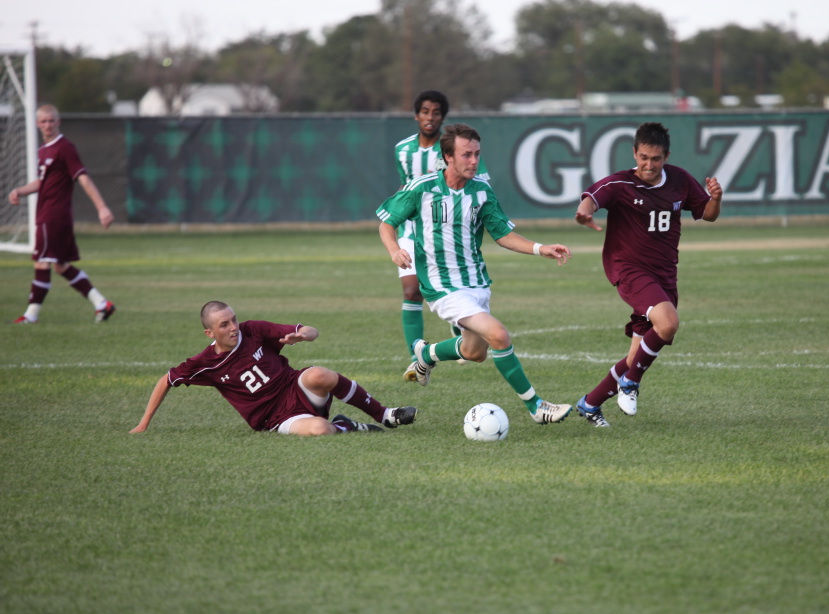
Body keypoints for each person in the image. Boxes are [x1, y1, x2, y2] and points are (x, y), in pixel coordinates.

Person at [377, 123, 574, 425]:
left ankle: (425, 354)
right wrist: (394, 249)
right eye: (466, 155)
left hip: (476, 284)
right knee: (499, 335)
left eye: (477, 154)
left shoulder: (481, 191)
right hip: (441, 286)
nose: (473, 161)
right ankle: (537, 407)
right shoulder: (422, 188)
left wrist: (540, 248)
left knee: (474, 352)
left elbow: (503, 234)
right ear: (448, 157)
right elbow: (387, 223)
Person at [573, 122, 723, 427]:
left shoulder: (680, 180)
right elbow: (592, 196)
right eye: (643, 157)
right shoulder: (621, 184)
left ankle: (590, 404)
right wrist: (584, 212)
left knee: (636, 354)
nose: (648, 165)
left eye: (655, 159)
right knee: (668, 323)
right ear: (634, 153)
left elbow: (707, 214)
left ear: (666, 156)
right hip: (628, 268)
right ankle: (631, 384)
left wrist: (716, 199)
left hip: (665, 273)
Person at [130, 301, 417, 436]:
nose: (233, 327)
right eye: (224, 324)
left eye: (233, 319)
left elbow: (310, 329)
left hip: (297, 388)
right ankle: (347, 425)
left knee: (319, 373)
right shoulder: (204, 364)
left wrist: (303, 334)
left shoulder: (253, 330)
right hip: (275, 418)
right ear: (209, 334)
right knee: (320, 430)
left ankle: (385, 415)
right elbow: (166, 380)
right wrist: (144, 423)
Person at [392, 90, 488, 381]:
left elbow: (480, 181)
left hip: (447, 229)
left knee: (452, 285)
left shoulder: (456, 150)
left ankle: (456, 326)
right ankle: (416, 357)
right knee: (411, 290)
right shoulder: (402, 150)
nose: (429, 117)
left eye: (436, 112)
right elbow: (405, 188)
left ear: (443, 117)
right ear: (416, 115)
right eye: (424, 111)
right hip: (410, 229)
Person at [8, 104, 116, 324]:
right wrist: (20, 190)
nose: (47, 125)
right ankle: (101, 303)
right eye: (43, 121)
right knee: (60, 266)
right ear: (38, 124)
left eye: (51, 120)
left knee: (41, 262)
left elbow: (83, 177)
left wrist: (102, 207)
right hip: (50, 214)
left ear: (58, 122)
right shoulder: (44, 150)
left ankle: (31, 315)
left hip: (53, 215)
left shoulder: (64, 147)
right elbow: (42, 182)